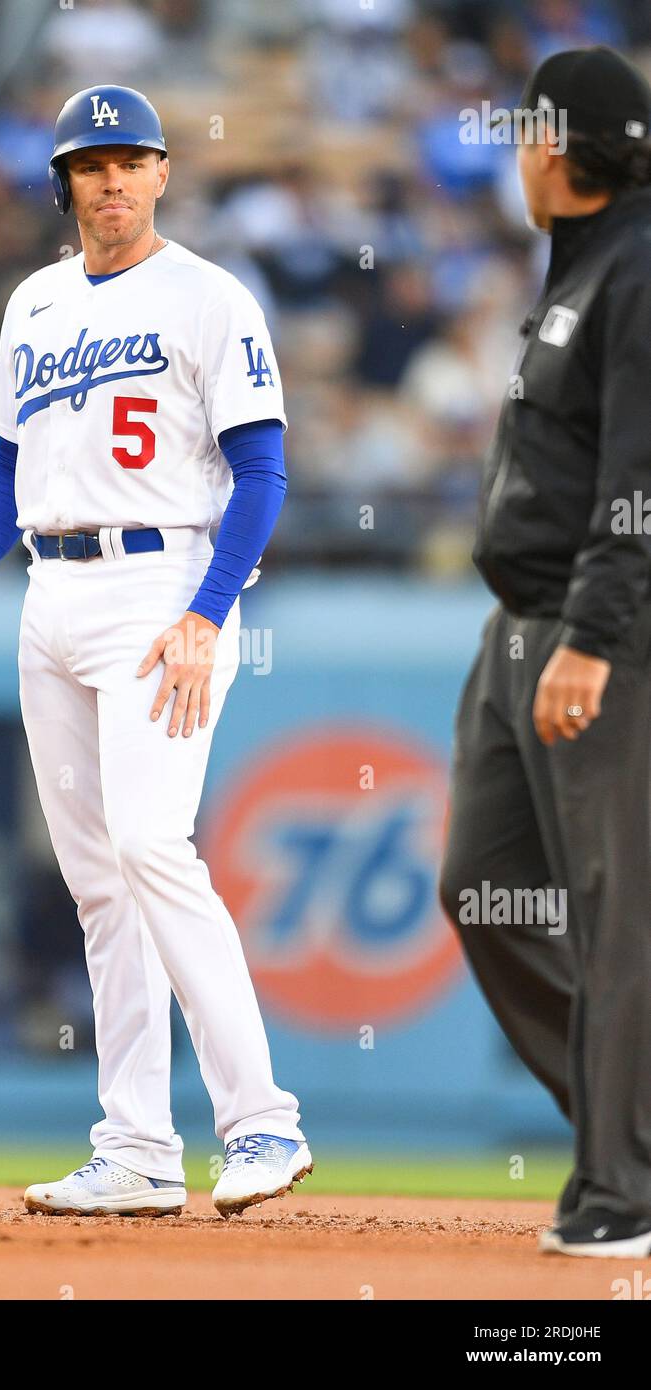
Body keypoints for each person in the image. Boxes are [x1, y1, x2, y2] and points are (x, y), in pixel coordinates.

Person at [0, 85, 311, 1218]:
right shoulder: (35, 301)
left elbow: (262, 472)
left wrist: (203, 610)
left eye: (129, 161)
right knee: (98, 882)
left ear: (158, 176)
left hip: (161, 584)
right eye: (90, 164)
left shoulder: (207, 295)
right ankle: (138, 1146)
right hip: (52, 589)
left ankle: (261, 1121)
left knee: (151, 844)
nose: (110, 180)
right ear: (65, 183)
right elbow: (6, 460)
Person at [440, 47, 651, 1257]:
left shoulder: (635, 267)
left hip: (590, 633)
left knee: (613, 909)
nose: (516, 145)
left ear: (559, 149)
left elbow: (637, 480)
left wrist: (595, 634)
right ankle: (630, 1129)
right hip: (510, 630)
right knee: (481, 884)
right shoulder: (576, 265)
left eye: (527, 126)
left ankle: (620, 1192)